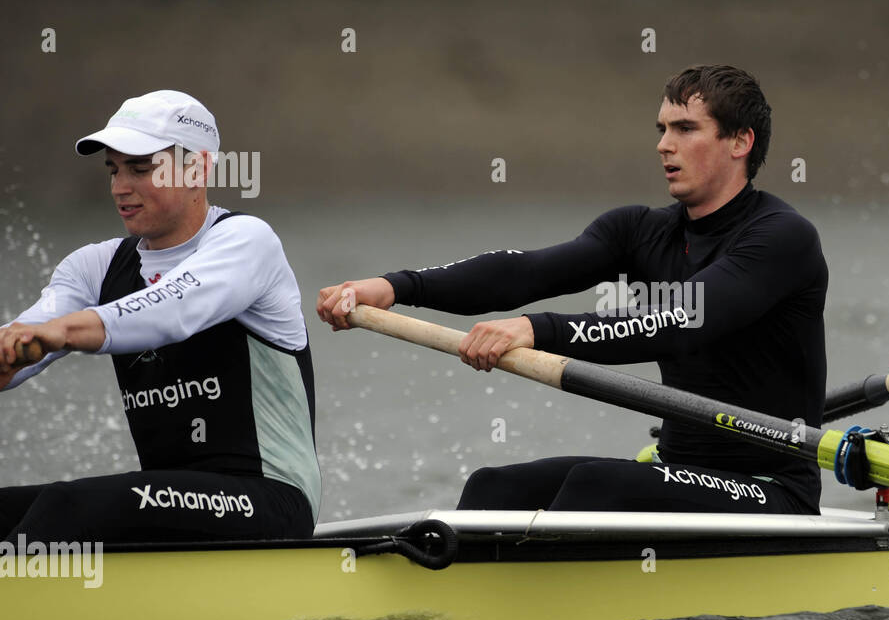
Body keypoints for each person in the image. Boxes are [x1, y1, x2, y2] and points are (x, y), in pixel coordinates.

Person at [319, 65, 828, 514]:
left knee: (597, 484)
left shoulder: (781, 237)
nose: (663, 144)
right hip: (681, 467)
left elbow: (681, 320)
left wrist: (535, 331)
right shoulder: (638, 230)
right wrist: (395, 286)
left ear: (740, 142)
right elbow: (525, 273)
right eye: (662, 129)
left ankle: (529, 607)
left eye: (685, 128)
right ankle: (460, 612)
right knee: (496, 486)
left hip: (770, 487)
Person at [0, 90, 321, 543]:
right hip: (168, 502)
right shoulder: (93, 266)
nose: (119, 187)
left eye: (140, 168)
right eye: (113, 170)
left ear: (198, 169)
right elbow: (26, 339)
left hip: (269, 501)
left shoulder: (246, 243)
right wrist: (14, 352)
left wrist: (61, 332)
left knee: (67, 505)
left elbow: (172, 310)